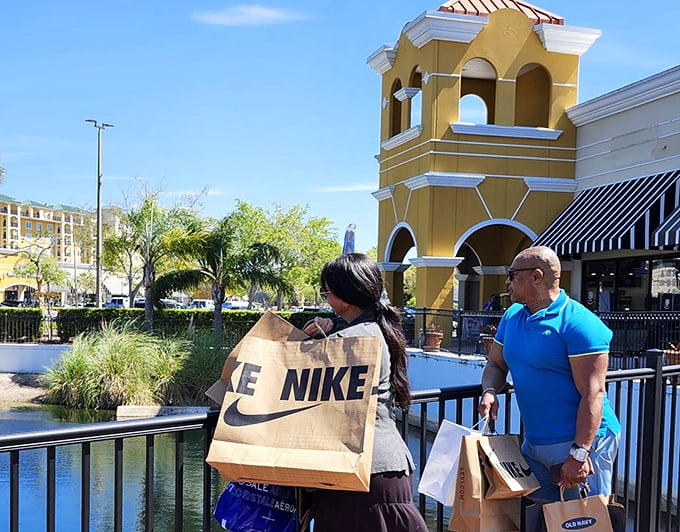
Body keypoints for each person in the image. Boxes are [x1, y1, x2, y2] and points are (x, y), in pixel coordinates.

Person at [478, 246, 621, 502]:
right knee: (540, 518)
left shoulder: (579, 323)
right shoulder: (512, 317)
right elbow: (495, 365)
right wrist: (489, 390)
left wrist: (579, 453)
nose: (507, 282)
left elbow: (594, 392)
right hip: (535, 445)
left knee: (586, 523)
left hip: (581, 444)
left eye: (512, 275)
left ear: (536, 276)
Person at [302, 253, 428, 532]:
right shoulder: (376, 331)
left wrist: (306, 339)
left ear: (344, 297)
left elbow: (289, 373)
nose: (326, 299)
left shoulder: (349, 340)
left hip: (356, 475)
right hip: (384, 468)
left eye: (326, 293)